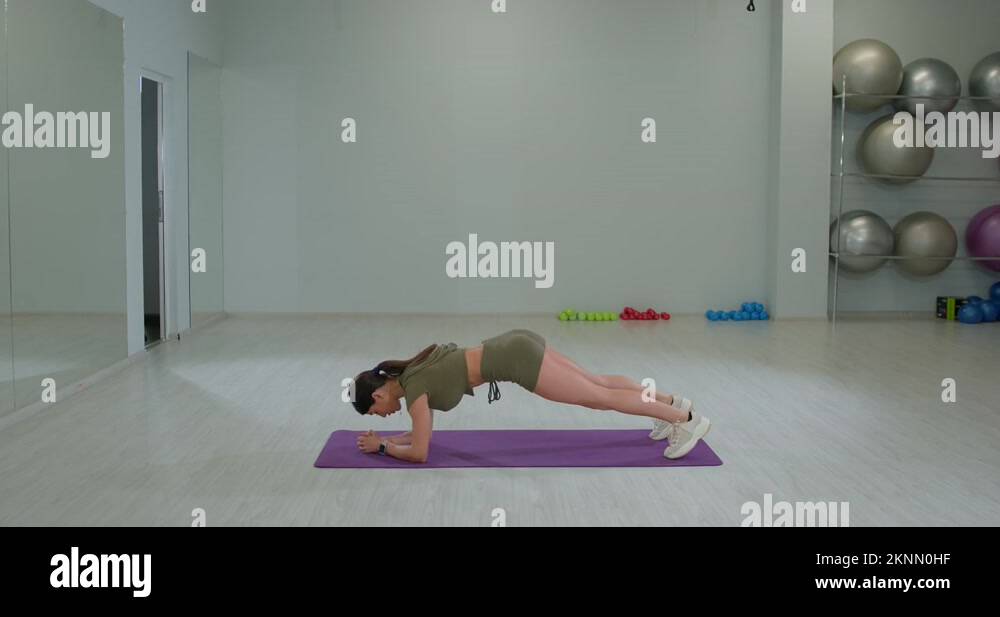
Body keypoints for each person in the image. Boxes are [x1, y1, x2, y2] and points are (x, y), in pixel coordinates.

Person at [351, 329, 711, 463]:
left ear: (380, 393)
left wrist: (383, 448)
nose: (380, 416)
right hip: (515, 342)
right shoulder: (411, 373)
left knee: (598, 397)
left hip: (517, 360)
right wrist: (385, 439)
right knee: (597, 382)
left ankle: (686, 422)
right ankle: (670, 404)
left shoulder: (414, 391)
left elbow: (420, 451)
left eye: (374, 410)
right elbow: (417, 432)